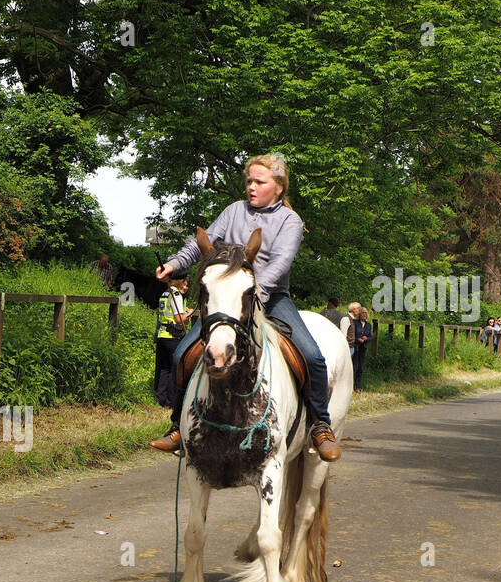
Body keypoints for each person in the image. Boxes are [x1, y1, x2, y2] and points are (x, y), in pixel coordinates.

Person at [148, 153, 341, 461]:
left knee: (313, 356)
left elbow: (280, 263)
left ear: (278, 186)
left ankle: (320, 426)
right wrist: (174, 263)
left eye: (259, 181)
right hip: (226, 301)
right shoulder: (234, 211)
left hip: (272, 298)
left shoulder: (290, 221)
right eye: (249, 181)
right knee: (183, 352)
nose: (251, 187)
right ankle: (178, 427)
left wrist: (256, 293)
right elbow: (201, 243)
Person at [154, 274, 193, 405]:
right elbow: (178, 319)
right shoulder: (176, 295)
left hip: (162, 335)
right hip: (172, 337)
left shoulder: (165, 293)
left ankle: (161, 399)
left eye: (187, 285)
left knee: (165, 369)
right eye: (184, 283)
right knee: (174, 369)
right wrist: (190, 314)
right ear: (178, 281)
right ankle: (171, 402)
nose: (185, 287)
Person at [351, 303, 371, 392]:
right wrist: (357, 339)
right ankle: (350, 386)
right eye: (362, 313)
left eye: (365, 313)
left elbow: (371, 337)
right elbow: (351, 335)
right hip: (355, 346)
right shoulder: (355, 323)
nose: (364, 315)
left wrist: (366, 338)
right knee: (354, 367)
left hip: (363, 348)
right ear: (359, 314)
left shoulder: (368, 325)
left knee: (361, 368)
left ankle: (357, 387)